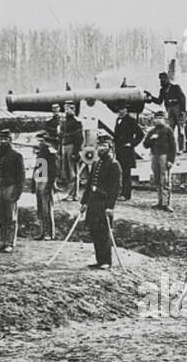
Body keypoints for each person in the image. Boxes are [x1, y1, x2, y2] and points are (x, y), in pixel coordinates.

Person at [79, 138, 122, 269]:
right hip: (93, 202)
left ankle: (106, 261)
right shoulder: (97, 163)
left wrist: (110, 206)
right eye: (99, 146)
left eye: (104, 146)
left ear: (109, 147)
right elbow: (89, 185)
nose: (101, 148)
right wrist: (84, 202)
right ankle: (99, 260)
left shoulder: (114, 165)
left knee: (103, 232)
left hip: (103, 203)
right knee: (94, 231)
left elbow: (115, 188)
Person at [0, 128, 25, 251]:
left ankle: (9, 243)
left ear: (10, 140)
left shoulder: (17, 156)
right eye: (1, 139)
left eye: (5, 139)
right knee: (0, 216)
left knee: (11, 217)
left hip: (10, 187)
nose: (3, 142)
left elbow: (21, 177)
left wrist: (17, 193)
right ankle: (2, 242)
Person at [143, 110, 177, 210]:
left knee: (165, 180)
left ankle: (166, 203)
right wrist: (151, 140)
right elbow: (145, 145)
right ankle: (160, 201)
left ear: (164, 119)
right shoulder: (152, 131)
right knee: (157, 179)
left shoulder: (168, 130)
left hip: (164, 156)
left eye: (160, 118)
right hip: (154, 156)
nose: (158, 120)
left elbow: (173, 146)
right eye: (156, 118)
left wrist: (171, 160)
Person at [148, 72, 187, 150]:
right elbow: (159, 101)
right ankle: (171, 148)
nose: (161, 81)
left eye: (162, 79)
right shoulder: (162, 90)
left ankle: (181, 149)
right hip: (169, 110)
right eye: (160, 79)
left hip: (178, 109)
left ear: (167, 79)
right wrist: (151, 97)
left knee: (181, 130)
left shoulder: (175, 87)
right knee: (170, 130)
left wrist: (183, 111)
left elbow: (183, 99)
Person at [112, 105, 143, 201]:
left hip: (127, 151)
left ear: (126, 110)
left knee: (126, 173)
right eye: (119, 109)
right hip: (119, 150)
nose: (120, 111)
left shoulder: (131, 120)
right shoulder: (118, 120)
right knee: (119, 172)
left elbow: (140, 134)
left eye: (121, 109)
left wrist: (131, 143)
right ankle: (121, 192)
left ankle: (126, 194)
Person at [31, 137, 58, 239]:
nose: (39, 143)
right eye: (38, 141)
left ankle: (49, 233)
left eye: (41, 141)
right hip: (39, 180)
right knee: (40, 209)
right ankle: (42, 232)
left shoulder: (50, 154)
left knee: (47, 208)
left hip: (46, 182)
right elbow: (36, 169)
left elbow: (53, 171)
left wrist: (50, 185)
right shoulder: (40, 154)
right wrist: (34, 185)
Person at [59, 104, 83, 198]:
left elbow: (79, 138)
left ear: (73, 110)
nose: (66, 111)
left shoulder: (76, 122)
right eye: (65, 109)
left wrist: (75, 152)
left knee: (72, 172)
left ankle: (73, 194)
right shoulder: (65, 122)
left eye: (68, 109)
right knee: (67, 171)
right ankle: (70, 193)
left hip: (72, 147)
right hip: (65, 146)